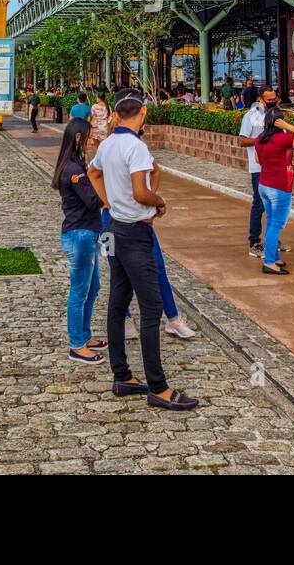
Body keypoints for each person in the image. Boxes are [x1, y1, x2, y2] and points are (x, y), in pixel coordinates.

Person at [87, 92, 200, 411]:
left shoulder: (108, 143)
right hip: (135, 233)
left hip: (113, 229)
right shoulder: (135, 146)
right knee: (151, 308)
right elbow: (141, 191)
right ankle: (159, 387)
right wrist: (159, 201)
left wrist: (107, 200)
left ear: (118, 114)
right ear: (142, 112)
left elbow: (94, 172)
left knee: (117, 301)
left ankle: (122, 375)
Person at [54, 118, 106, 364]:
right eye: (88, 135)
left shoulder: (76, 164)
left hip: (88, 232)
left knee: (92, 288)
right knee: (79, 291)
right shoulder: (74, 170)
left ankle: (85, 335)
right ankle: (76, 344)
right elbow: (93, 201)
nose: (92, 138)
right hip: (80, 235)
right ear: (78, 138)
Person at [254, 103, 294, 275]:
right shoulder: (282, 138)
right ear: (278, 122)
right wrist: (287, 127)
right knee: (277, 224)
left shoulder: (260, 138)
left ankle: (274, 256)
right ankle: (269, 261)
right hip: (278, 186)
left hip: (264, 184)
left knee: (271, 221)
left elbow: (258, 160)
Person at [238, 86, 280, 258]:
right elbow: (242, 141)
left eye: (274, 98)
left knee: (276, 205)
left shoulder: (277, 115)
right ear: (260, 99)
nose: (272, 101)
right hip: (259, 168)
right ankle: (254, 241)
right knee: (259, 204)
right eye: (268, 99)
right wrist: (262, 140)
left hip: (276, 166)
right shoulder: (251, 116)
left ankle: (273, 240)